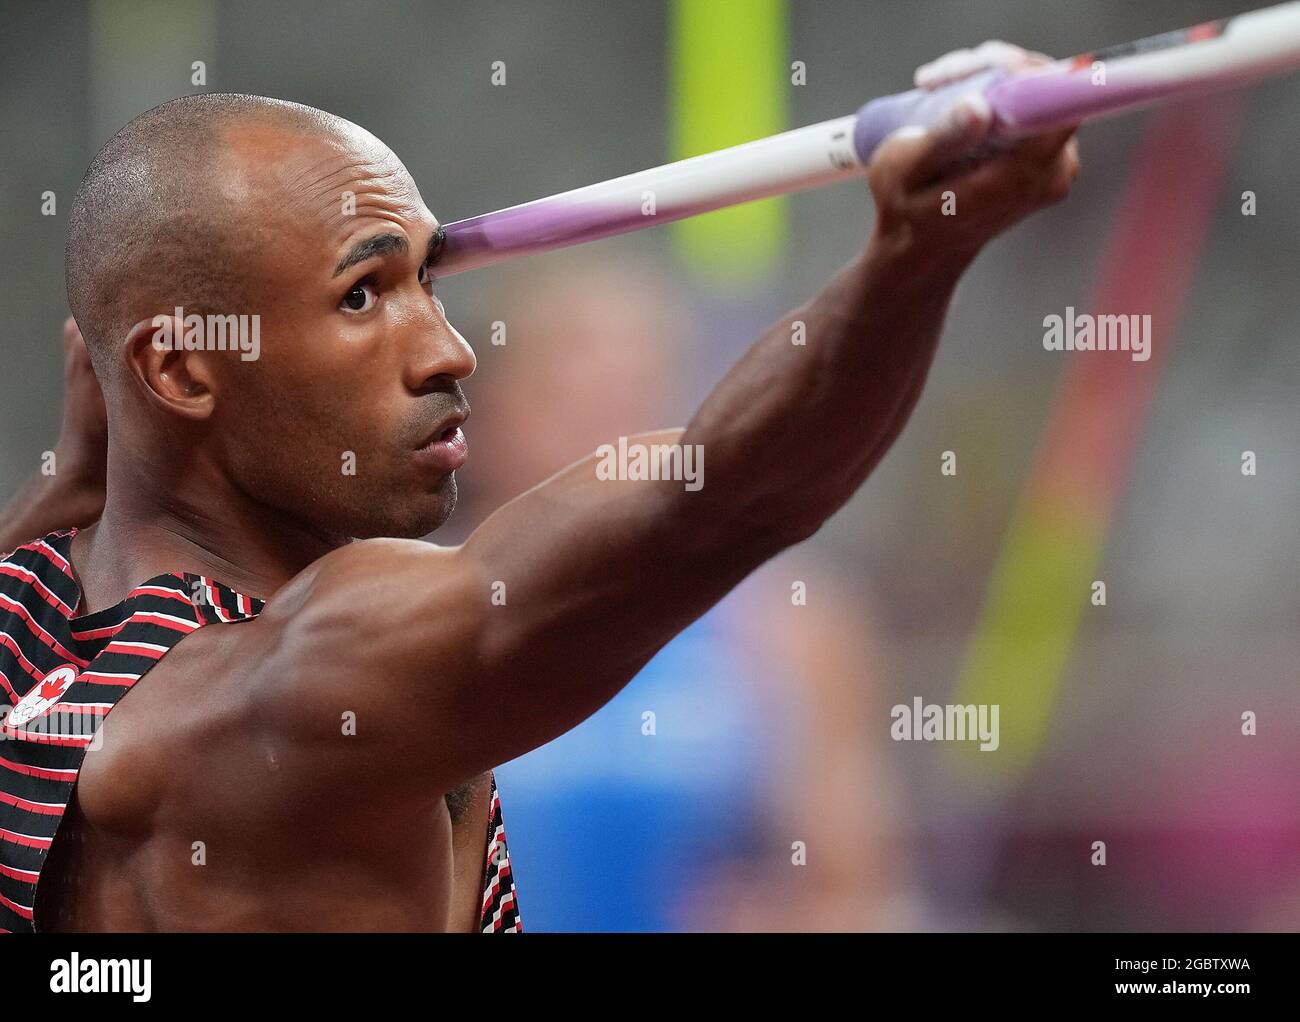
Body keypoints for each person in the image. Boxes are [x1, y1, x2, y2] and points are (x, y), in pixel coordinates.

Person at [0, 42, 1078, 932]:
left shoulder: (28, 616)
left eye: (427, 277)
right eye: (362, 294)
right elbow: (716, 503)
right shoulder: (306, 679)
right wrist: (923, 243)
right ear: (183, 370)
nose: (451, 350)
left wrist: (95, 450)